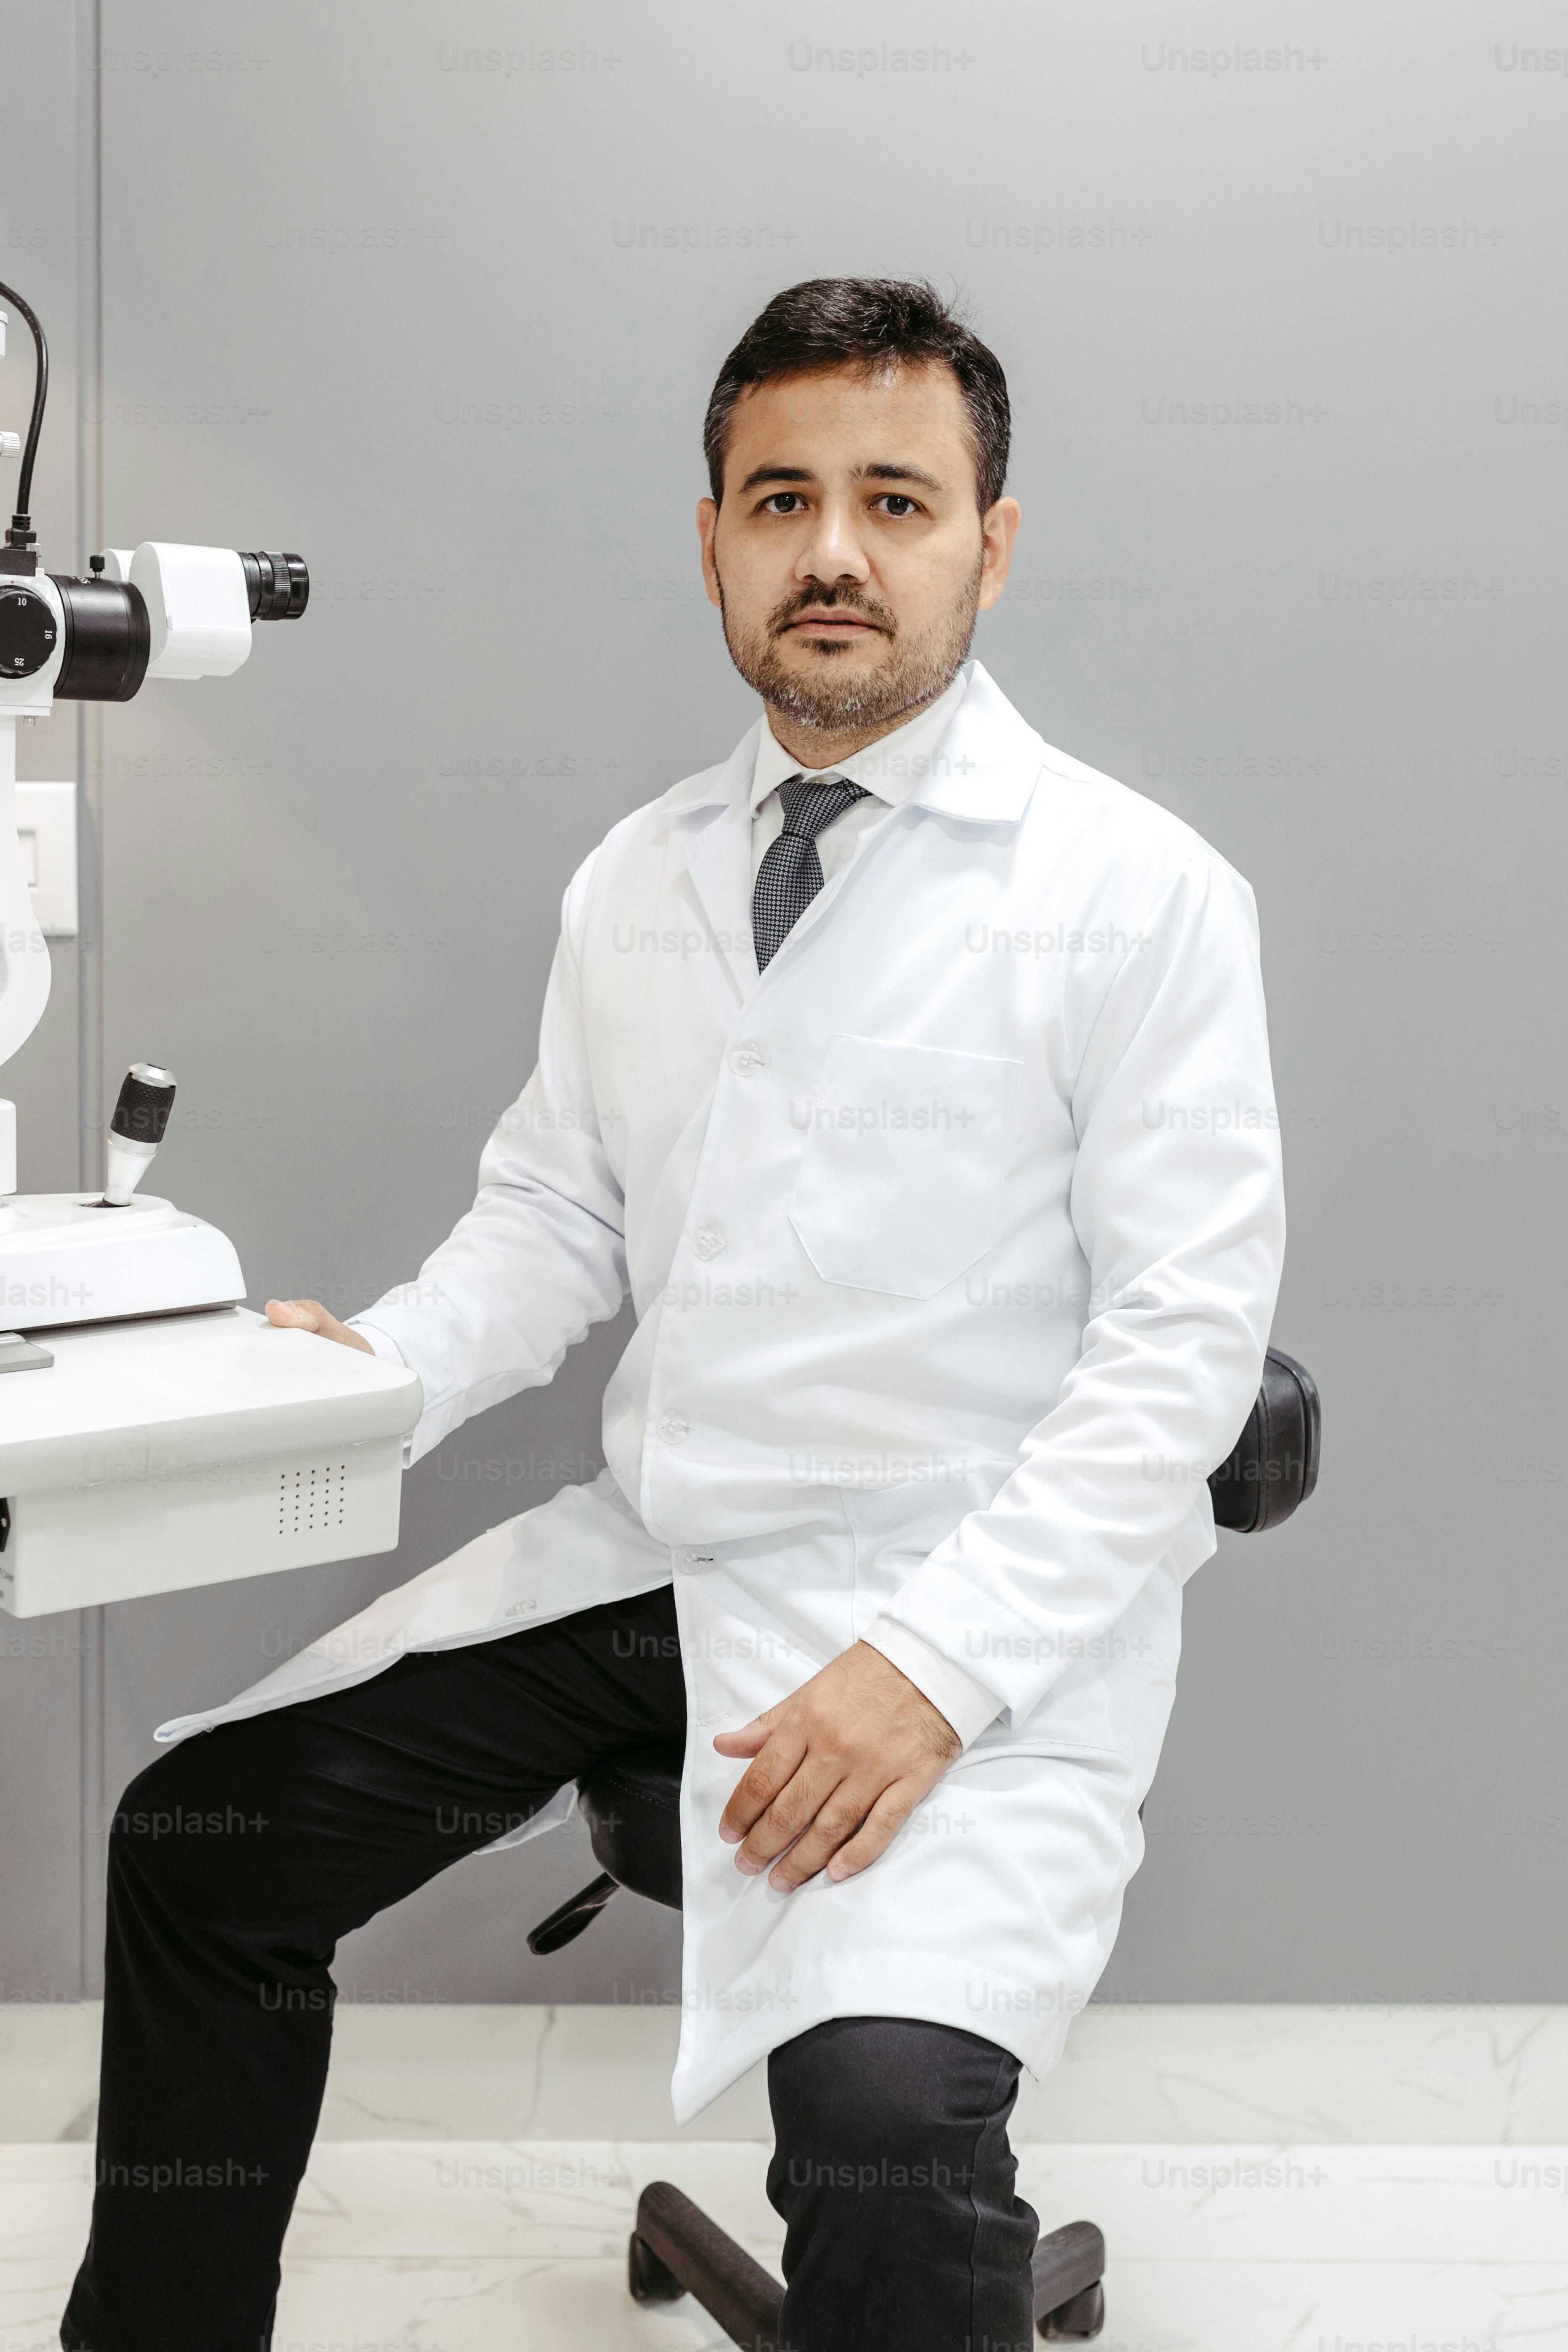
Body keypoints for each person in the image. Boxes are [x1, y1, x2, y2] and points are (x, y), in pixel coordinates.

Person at [63, 277, 1285, 2352]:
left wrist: (929, 1669)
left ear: (991, 542)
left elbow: (1181, 1346)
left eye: (896, 499)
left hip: (959, 1604)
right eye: (780, 495)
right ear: (710, 535)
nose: (833, 548)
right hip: (669, 1566)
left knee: (887, 2129)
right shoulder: (640, 876)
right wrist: (370, 1370)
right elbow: (554, 1214)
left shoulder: (1138, 894)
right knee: (203, 1841)